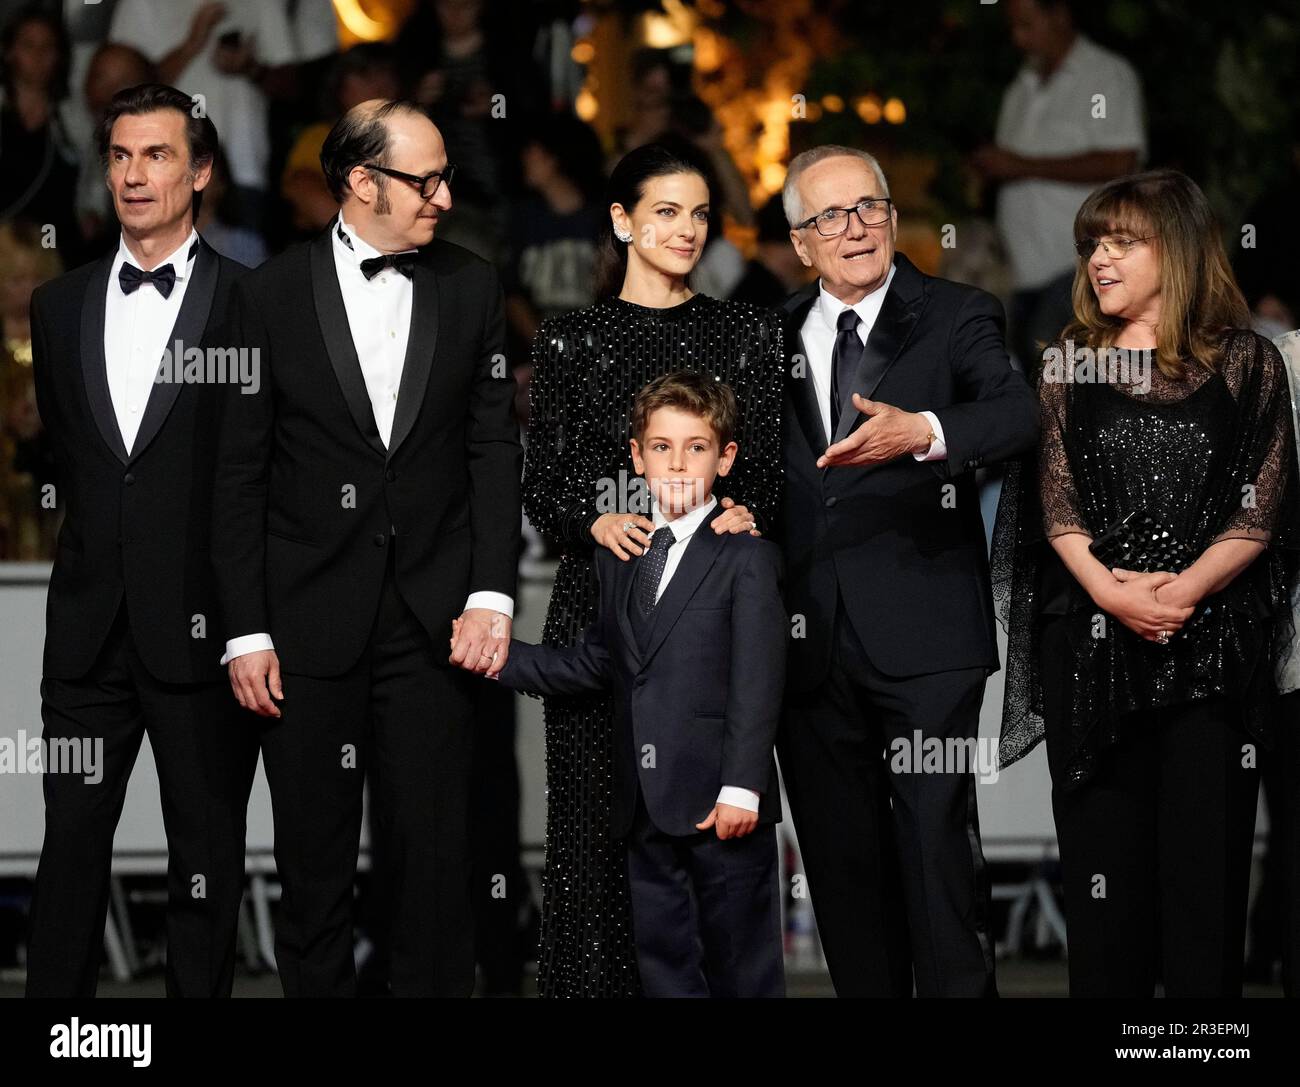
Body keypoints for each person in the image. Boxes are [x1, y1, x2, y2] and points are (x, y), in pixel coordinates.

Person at [212, 98, 521, 997]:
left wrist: (492, 596)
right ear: (358, 181)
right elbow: (238, 477)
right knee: (313, 871)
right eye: (424, 180)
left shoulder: (470, 284)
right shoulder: (264, 295)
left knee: (432, 866)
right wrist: (245, 631)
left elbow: (491, 447)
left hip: (436, 625)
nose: (445, 198)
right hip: (303, 629)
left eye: (445, 178)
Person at [993, 169, 1299, 996]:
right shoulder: (1067, 364)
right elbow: (1055, 506)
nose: (1100, 257)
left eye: (1123, 240)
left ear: (1180, 248)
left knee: (1206, 896)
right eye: (1092, 241)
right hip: (1092, 654)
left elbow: (1261, 507)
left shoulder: (1249, 363)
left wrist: (1182, 591)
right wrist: (1113, 593)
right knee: (1106, 900)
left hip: (1210, 656)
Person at [521, 140, 783, 997]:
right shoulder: (568, 339)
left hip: (704, 633)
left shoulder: (746, 329)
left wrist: (749, 512)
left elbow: (771, 477)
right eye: (666, 211)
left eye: (701, 213)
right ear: (622, 220)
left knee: (705, 872)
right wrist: (592, 515)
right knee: (593, 849)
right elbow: (544, 481)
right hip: (600, 620)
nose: (688, 230)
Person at [776, 144, 1038, 997]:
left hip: (926, 638)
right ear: (800, 242)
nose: (854, 227)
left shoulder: (955, 311)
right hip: (807, 644)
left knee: (935, 860)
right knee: (846, 875)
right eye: (830, 217)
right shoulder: (764, 334)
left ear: (892, 215)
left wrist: (923, 430)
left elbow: (1016, 413)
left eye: (869, 207)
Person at [24, 83, 250, 997]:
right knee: (69, 849)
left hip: (203, 631)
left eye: (156, 155)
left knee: (206, 856)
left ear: (198, 173)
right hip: (85, 633)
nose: (134, 173)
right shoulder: (58, 305)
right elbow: (83, 463)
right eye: (120, 155)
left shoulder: (250, 304)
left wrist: (250, 624)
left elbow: (257, 475)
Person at [464, 372, 787, 997]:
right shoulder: (624, 559)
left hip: (723, 804)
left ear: (726, 458)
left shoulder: (748, 555)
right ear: (636, 459)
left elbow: (758, 679)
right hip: (642, 804)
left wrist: (743, 787)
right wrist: (495, 657)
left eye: (696, 447)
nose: (678, 462)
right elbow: (595, 663)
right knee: (664, 967)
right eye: (661, 447)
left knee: (742, 970)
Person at [970, 0, 1145, 369]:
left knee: (1061, 376)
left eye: (1027, 25)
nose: (1019, 38)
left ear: (1060, 16)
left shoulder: (1106, 74)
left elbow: (1121, 162)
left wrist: (1021, 165)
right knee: (1034, 377)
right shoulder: (1021, 85)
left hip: (1079, 265)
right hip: (1017, 272)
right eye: (1013, 27)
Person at [109, 0, 299, 231]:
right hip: (160, 176)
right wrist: (191, 44)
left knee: (246, 260)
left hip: (244, 171)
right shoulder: (141, 4)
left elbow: (295, 87)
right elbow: (120, 90)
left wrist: (251, 68)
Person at [0, 5, 80, 257]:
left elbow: (93, 176)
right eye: (28, 45)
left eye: (47, 47)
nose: (38, 55)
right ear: (9, 52)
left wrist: (94, 212)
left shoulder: (74, 117)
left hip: (56, 245)